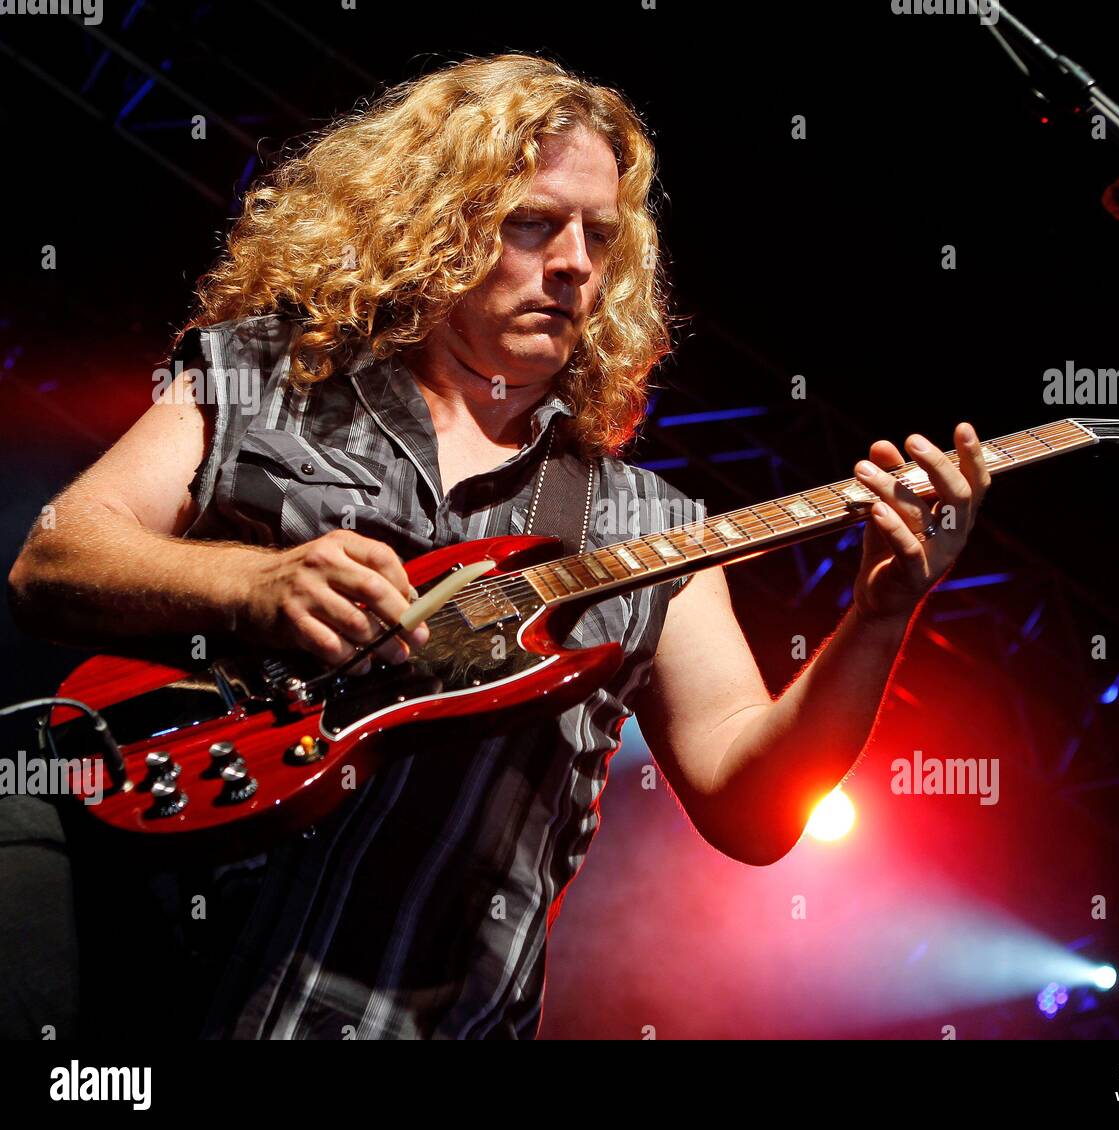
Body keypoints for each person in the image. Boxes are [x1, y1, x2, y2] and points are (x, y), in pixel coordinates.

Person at [6, 53, 991, 1039]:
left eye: (599, 236)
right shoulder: (271, 377)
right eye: (533, 224)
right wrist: (252, 581)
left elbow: (753, 806)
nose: (574, 263)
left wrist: (879, 615)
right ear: (430, 224)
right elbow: (55, 557)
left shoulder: (651, 526)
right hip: (115, 953)